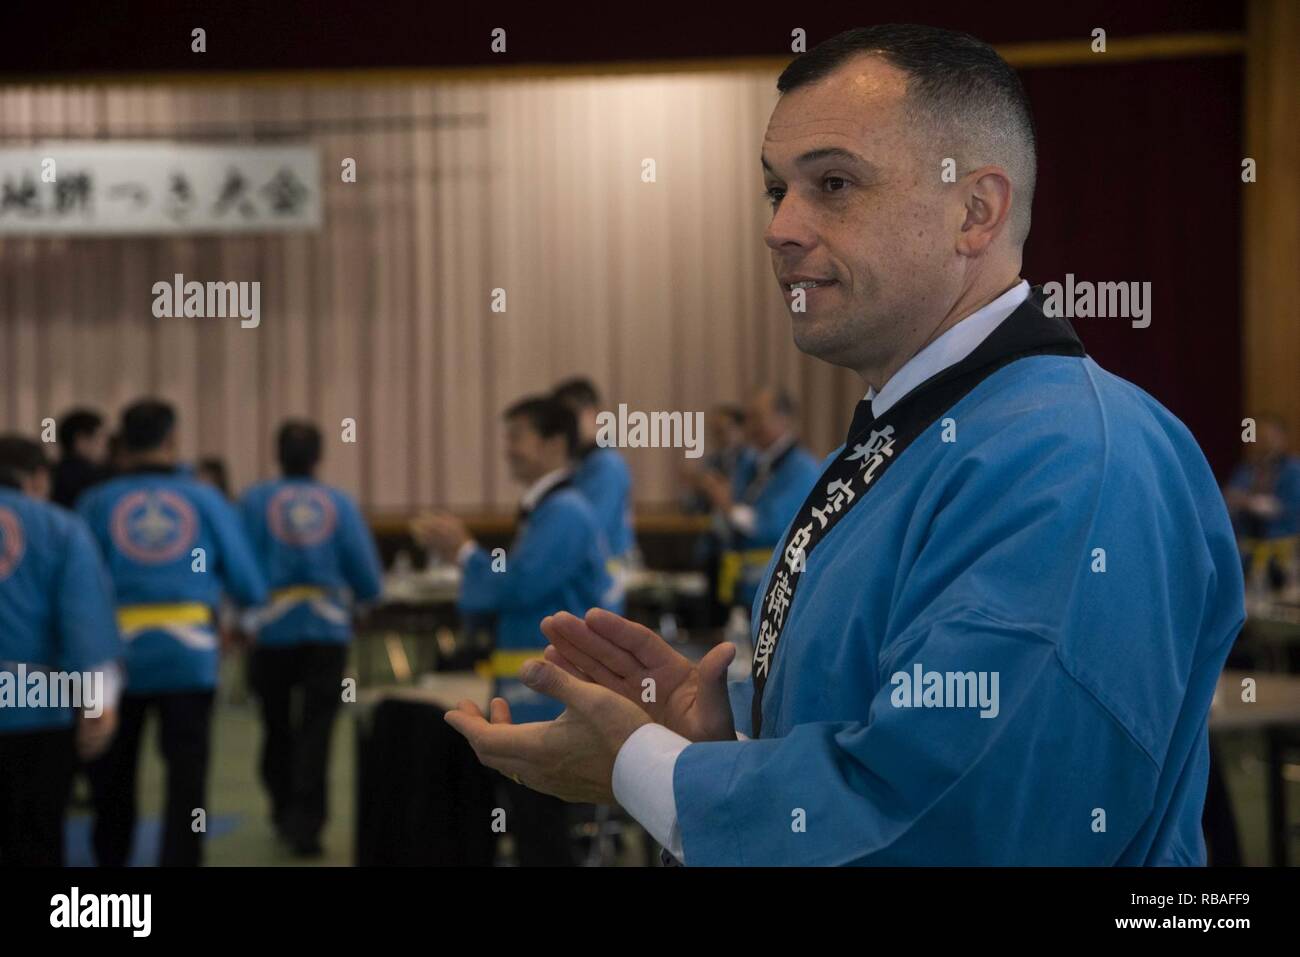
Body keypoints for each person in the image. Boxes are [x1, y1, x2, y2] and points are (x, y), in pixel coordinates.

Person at [443, 24, 1245, 866]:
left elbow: (957, 818)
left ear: (976, 210)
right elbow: (876, 710)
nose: (780, 228)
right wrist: (726, 730)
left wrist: (649, 768)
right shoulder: (899, 440)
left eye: (833, 183)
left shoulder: (1073, 460)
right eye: (774, 191)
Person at [411, 396, 612, 866]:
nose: (508, 449)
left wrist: (464, 554)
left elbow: (520, 585)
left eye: (518, 436)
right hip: (531, 695)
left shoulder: (565, 512)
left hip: (547, 700)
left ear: (554, 443)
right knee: (532, 828)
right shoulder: (551, 509)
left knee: (543, 834)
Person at [77, 399, 267, 866]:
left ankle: (110, 871)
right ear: (172, 439)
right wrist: (243, 620)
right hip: (190, 657)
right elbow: (247, 581)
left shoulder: (96, 502)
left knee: (111, 776)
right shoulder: (205, 498)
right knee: (187, 778)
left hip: (113, 661)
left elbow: (76, 586)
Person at [239, 421, 384, 856]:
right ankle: (308, 825)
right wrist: (365, 600)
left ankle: (283, 808)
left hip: (271, 630)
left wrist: (238, 615)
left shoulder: (254, 501)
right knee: (318, 730)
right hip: (326, 630)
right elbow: (365, 569)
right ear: (319, 456)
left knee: (275, 724)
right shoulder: (337, 502)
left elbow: (238, 561)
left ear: (276, 453)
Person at [0, 436, 123, 865]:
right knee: (37, 833)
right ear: (36, 478)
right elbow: (84, 619)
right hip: (38, 704)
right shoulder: (60, 527)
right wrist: (99, 701)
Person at [693, 388, 820, 613]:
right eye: (749, 417)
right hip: (743, 586)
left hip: (779, 588)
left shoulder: (802, 469)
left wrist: (728, 506)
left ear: (784, 418)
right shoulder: (751, 465)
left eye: (758, 417)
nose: (751, 425)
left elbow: (774, 527)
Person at [551, 378, 635, 611]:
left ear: (595, 414)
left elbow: (588, 529)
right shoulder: (582, 464)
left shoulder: (606, 464)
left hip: (602, 583)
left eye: (571, 417)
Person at [1223, 414, 1300, 592]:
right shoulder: (1248, 468)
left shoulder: (1293, 470)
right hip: (1249, 549)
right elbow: (1230, 497)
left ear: (1281, 438)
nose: (1264, 443)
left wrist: (1256, 503)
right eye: (1259, 438)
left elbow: (1292, 508)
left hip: (1285, 549)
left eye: (1269, 438)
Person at [51, 408, 110, 509]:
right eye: (101, 437)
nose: (106, 445)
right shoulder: (95, 480)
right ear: (81, 440)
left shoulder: (51, 473)